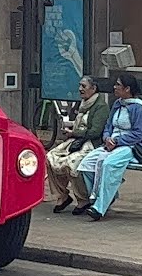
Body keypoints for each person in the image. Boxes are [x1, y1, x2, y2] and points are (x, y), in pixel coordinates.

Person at [73, 73, 142, 221]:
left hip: (132, 146)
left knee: (109, 164)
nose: (114, 87)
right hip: (112, 144)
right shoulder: (117, 104)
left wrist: (117, 141)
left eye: (118, 85)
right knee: (86, 164)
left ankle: (99, 207)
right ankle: (105, 196)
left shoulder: (138, 108)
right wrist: (107, 138)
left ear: (127, 89)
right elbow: (108, 126)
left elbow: (139, 134)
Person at [45, 76, 107, 214]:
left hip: (90, 144)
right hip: (76, 141)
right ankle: (62, 195)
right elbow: (80, 125)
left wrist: (74, 133)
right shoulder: (83, 103)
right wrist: (71, 129)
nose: (80, 89)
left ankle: (83, 199)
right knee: (50, 157)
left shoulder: (101, 107)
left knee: (72, 164)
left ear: (93, 88)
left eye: (83, 86)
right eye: (80, 85)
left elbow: (95, 132)